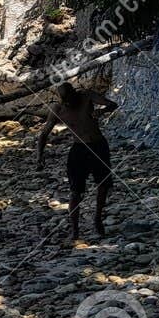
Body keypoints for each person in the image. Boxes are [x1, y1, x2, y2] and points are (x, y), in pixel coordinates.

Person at [36, 82, 120, 243]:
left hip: (98, 145)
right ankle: (75, 229)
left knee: (102, 185)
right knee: (75, 192)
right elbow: (44, 134)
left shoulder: (87, 96)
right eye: (65, 100)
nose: (69, 103)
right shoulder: (58, 110)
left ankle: (97, 218)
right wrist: (40, 156)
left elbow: (112, 104)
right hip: (79, 149)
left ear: (76, 93)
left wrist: (101, 111)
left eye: (71, 99)